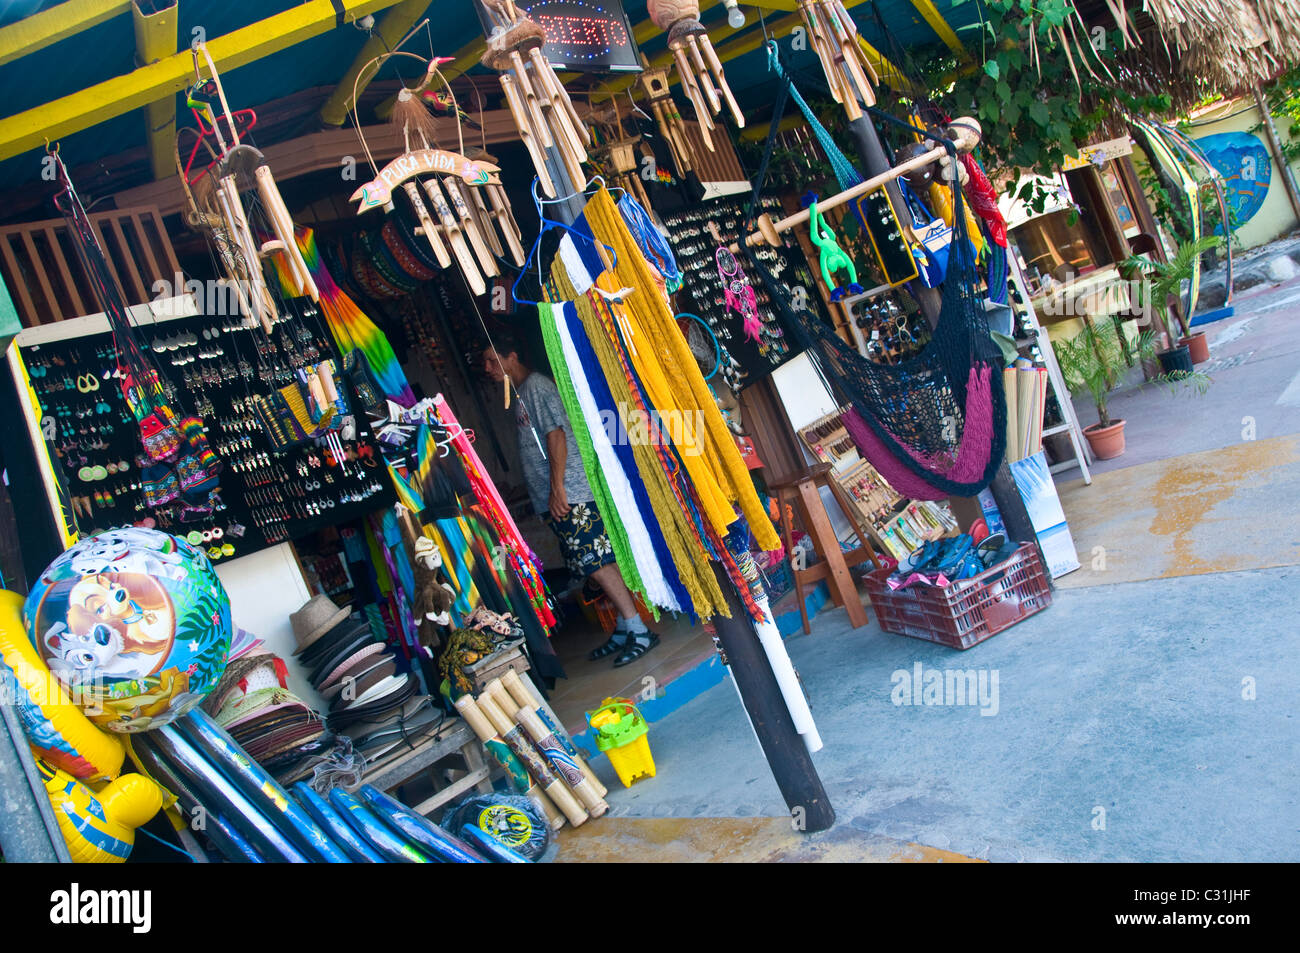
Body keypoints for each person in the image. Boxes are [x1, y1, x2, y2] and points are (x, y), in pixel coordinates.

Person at [482, 338, 657, 667]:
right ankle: (625, 623)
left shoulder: (537, 387)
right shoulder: (520, 392)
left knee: (596, 561)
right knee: (594, 562)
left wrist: (558, 488)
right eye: (486, 364)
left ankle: (638, 628)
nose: (488, 370)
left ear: (513, 354)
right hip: (560, 495)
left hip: (571, 492)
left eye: (493, 360)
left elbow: (557, 435)